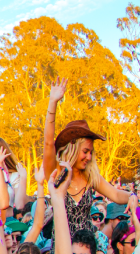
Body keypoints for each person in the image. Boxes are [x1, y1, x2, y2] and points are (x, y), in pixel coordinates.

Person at [41, 78, 131, 237]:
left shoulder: (90, 177)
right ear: (73, 149)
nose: (89, 157)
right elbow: (49, 143)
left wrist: (133, 197)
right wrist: (53, 102)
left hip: (88, 250)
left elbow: (116, 195)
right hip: (63, 249)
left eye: (91, 152)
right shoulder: (56, 173)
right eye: (85, 151)